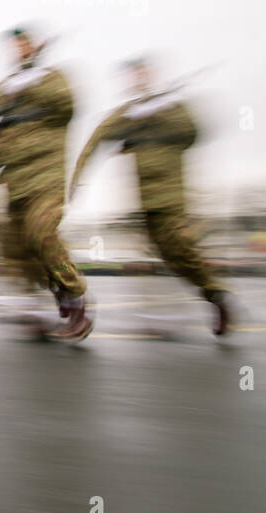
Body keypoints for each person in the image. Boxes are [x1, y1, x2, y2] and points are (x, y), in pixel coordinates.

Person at [70, 57, 232, 335]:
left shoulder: (172, 108)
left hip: (171, 197)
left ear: (151, 76)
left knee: (181, 249)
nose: (137, 79)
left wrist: (160, 115)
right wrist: (76, 181)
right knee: (165, 257)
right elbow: (96, 139)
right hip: (143, 201)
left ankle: (217, 296)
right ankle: (175, 309)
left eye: (141, 74)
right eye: (132, 76)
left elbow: (193, 132)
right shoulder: (127, 112)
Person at [0, 27, 90, 340]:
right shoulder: (10, 89)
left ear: (34, 45)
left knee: (42, 234)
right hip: (15, 184)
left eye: (23, 43)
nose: (18, 49)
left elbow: (68, 104)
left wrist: (34, 84)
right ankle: (44, 300)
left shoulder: (52, 79)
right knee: (19, 252)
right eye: (14, 45)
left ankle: (76, 299)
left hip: (45, 179)